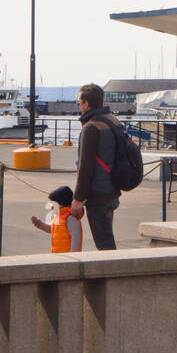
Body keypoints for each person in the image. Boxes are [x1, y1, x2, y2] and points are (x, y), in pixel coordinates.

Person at [72, 83, 123, 250]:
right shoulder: (112, 121)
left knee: (105, 245)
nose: (78, 106)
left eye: (79, 102)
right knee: (107, 239)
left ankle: (111, 274)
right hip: (113, 189)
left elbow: (86, 166)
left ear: (86, 104)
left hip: (98, 194)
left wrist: (78, 199)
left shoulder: (91, 127)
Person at [30, 185, 83, 253]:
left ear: (61, 203)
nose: (52, 205)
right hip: (58, 254)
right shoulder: (57, 216)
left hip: (69, 256)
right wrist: (39, 223)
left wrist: (73, 254)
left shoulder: (70, 218)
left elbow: (76, 237)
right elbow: (53, 229)